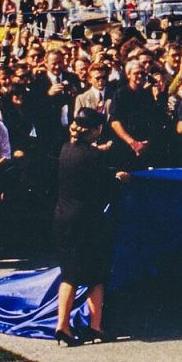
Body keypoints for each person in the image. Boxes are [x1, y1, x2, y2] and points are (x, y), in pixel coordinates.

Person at [52, 109, 128, 347]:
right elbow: (106, 188)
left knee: (69, 274)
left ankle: (63, 325)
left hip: (63, 217)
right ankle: (94, 326)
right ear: (95, 130)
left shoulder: (66, 149)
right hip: (87, 221)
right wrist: (119, 179)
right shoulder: (94, 157)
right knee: (97, 274)